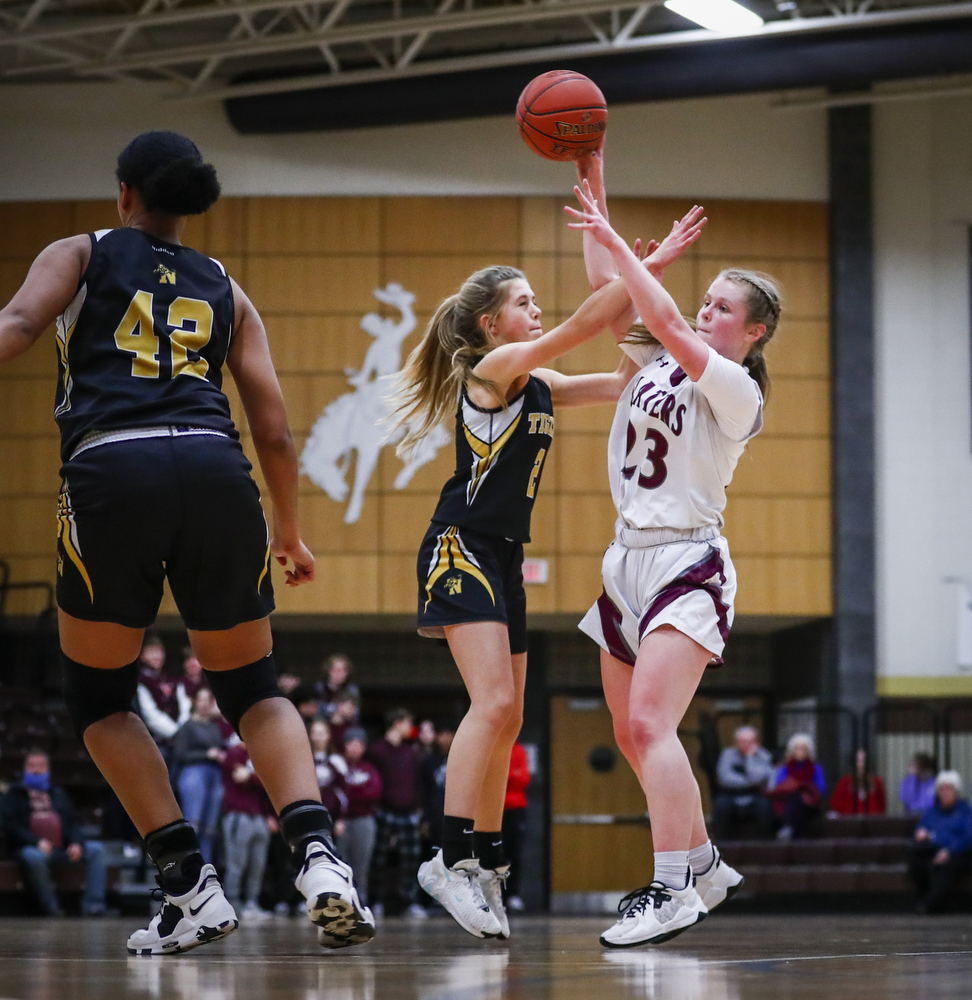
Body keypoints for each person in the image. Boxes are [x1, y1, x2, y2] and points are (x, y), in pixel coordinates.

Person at [0, 130, 373, 953]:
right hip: (217, 475)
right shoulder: (226, 287)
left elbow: (21, 324)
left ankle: (188, 885)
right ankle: (319, 857)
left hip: (112, 472)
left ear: (124, 193)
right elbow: (272, 430)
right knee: (252, 686)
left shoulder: (81, 250)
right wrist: (290, 533)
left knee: (99, 699)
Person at [395, 200, 701, 941]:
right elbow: (580, 329)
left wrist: (643, 292)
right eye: (523, 301)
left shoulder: (540, 386)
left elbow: (623, 378)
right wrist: (644, 267)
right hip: (459, 544)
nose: (536, 310)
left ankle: (488, 866)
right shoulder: (493, 370)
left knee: (509, 719)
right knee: (493, 707)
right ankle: (449, 859)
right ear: (491, 325)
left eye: (534, 300)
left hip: (503, 556)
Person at [566, 150, 774, 946]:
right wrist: (591, 163)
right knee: (629, 733)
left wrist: (630, 250)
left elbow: (664, 319)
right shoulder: (655, 360)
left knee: (652, 726)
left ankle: (672, 889)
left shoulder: (736, 387)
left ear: (751, 334)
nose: (707, 311)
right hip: (625, 562)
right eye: (707, 301)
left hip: (687, 561)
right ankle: (705, 859)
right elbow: (607, 295)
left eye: (725, 308)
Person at [0, 748, 109, 916]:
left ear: (48, 770)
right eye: (31, 766)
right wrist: (36, 841)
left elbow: (73, 822)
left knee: (97, 850)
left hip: (61, 847)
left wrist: (76, 843)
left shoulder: (58, 793)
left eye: (40, 766)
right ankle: (51, 906)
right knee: (33, 856)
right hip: (31, 848)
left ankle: (94, 905)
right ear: (25, 769)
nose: (36, 770)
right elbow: (10, 824)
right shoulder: (14, 794)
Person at [367, 709, 426, 918]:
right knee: (379, 858)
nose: (411, 729)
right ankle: (375, 901)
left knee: (411, 859)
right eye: (408, 724)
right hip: (384, 811)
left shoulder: (411, 752)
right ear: (397, 723)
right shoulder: (376, 750)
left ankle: (409, 902)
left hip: (408, 812)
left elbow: (417, 782)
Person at [220, 741, 276, 920]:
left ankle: (252, 903)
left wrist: (254, 777)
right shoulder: (234, 753)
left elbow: (271, 783)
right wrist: (260, 778)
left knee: (257, 865)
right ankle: (232, 904)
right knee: (236, 863)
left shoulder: (262, 755)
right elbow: (240, 778)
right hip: (238, 814)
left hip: (260, 816)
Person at [171, 688, 226, 864]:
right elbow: (180, 755)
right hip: (194, 772)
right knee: (193, 823)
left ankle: (206, 865)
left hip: (214, 774)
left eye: (207, 700)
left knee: (210, 827)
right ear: (195, 702)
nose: (204, 703)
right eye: (200, 699)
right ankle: (189, 864)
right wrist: (206, 754)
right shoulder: (187, 726)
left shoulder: (214, 726)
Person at [909, 770, 972, 913]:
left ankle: (931, 904)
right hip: (932, 850)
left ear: (956, 791)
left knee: (943, 866)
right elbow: (922, 827)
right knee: (917, 863)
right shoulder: (933, 811)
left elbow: (968, 837)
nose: (945, 792)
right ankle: (925, 899)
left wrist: (948, 850)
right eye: (942, 789)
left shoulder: (965, 811)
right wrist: (921, 832)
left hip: (957, 853)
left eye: (948, 788)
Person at [336, 727, 383, 908]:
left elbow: (374, 792)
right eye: (351, 744)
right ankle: (341, 903)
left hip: (364, 821)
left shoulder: (369, 768)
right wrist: (357, 790)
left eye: (359, 744)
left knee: (361, 866)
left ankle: (360, 903)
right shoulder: (338, 766)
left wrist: (350, 792)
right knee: (341, 864)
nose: (355, 748)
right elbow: (334, 793)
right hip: (341, 821)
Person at [711, 726, 775, 839]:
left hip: (754, 796)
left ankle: (765, 845)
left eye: (750, 742)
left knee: (765, 807)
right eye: (743, 741)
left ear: (756, 742)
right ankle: (721, 845)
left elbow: (759, 778)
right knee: (721, 806)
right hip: (730, 795)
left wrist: (750, 758)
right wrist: (751, 781)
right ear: (737, 742)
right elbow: (725, 778)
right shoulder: (727, 755)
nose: (746, 745)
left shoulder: (764, 756)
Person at [770, 734, 827, 839]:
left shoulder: (816, 768)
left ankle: (790, 829)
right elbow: (779, 786)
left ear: (809, 751)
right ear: (792, 750)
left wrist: (805, 789)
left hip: (810, 803)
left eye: (803, 748)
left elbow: (821, 788)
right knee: (795, 800)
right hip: (788, 802)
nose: (800, 751)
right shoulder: (785, 768)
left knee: (800, 800)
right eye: (797, 748)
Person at [136, 635, 181, 754]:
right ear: (142, 655)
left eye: (159, 651)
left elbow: (182, 705)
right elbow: (150, 716)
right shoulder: (141, 680)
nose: (156, 656)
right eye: (151, 652)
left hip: (178, 740)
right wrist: (177, 733)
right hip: (154, 742)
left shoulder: (168, 678)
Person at [502, 740, 531, 913]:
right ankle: (497, 894)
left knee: (514, 852)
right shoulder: (495, 748)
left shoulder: (519, 750)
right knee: (497, 852)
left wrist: (508, 776)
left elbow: (524, 779)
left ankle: (512, 894)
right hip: (495, 808)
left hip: (517, 808)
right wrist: (511, 775)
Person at [309, 718, 348, 831]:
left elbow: (343, 792)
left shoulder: (337, 761)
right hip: (308, 814)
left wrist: (341, 818)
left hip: (330, 815)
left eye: (322, 733)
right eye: (315, 733)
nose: (318, 737)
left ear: (328, 735)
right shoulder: (304, 761)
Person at [829, 748, 886, 816]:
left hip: (871, 820)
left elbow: (881, 806)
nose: (862, 764)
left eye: (864, 760)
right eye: (859, 760)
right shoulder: (844, 782)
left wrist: (871, 793)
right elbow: (836, 804)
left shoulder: (877, 782)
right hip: (849, 821)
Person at [316, 653, 361, 719]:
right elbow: (314, 710)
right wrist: (337, 709)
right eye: (336, 670)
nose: (339, 673)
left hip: (347, 724)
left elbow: (356, 713)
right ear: (328, 671)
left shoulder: (352, 689)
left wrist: (348, 711)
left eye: (343, 670)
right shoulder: (319, 688)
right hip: (324, 724)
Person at [175, 648, 207, 725]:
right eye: (188, 660)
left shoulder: (208, 684)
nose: (192, 663)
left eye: (195, 659)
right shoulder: (177, 684)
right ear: (184, 663)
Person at [900, 752, 937, 816]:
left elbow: (933, 801)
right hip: (912, 815)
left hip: (930, 815)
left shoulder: (933, 782)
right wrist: (913, 778)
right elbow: (906, 798)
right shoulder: (907, 782)